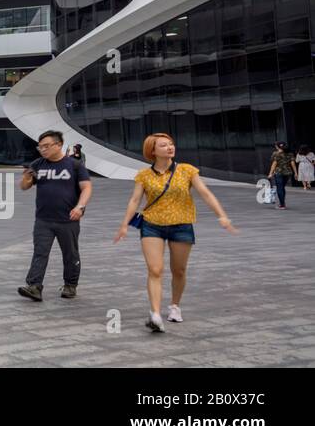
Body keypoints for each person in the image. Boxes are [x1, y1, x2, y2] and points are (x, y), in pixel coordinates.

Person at [115, 133, 237, 333]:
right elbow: (134, 201)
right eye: (163, 145)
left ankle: (174, 306)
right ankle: (155, 314)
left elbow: (205, 193)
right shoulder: (144, 175)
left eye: (171, 144)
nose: (170, 147)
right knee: (155, 270)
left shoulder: (187, 170)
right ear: (152, 151)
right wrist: (123, 225)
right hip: (151, 225)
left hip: (181, 226)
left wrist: (221, 216)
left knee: (178, 270)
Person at [18, 129, 91, 301]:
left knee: (70, 254)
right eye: (40, 147)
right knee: (40, 252)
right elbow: (24, 186)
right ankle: (34, 286)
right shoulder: (38, 164)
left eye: (46, 146)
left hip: (68, 219)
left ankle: (70, 285)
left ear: (58, 145)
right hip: (43, 219)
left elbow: (86, 188)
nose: (43, 150)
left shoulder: (74, 165)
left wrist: (80, 207)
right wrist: (27, 177)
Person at [268, 142, 296, 209]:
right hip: (287, 173)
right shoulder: (290, 154)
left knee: (279, 188)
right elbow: (293, 164)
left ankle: (282, 205)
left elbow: (274, 164)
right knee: (282, 187)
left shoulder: (276, 154)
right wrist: (296, 173)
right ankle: (282, 203)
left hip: (278, 173)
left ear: (277, 147)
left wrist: (270, 173)